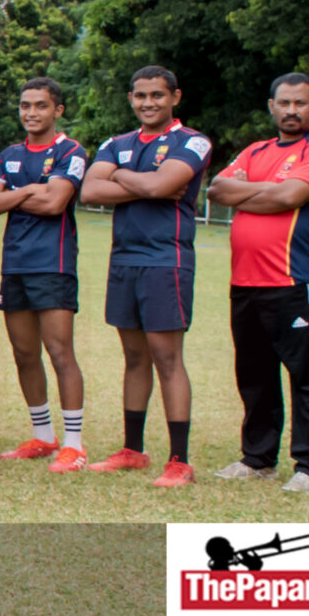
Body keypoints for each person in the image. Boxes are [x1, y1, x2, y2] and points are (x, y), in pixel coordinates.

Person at [207, 73, 309, 493]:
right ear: (271, 106)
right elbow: (216, 189)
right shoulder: (256, 149)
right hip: (245, 282)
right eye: (284, 103)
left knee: (308, 375)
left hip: (293, 280)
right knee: (254, 375)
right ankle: (258, 459)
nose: (291, 111)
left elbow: (291, 197)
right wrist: (276, 189)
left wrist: (254, 191)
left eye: (300, 103)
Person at [80, 65, 211, 487]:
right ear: (131, 98)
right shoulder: (115, 143)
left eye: (157, 95)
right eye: (140, 96)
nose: (148, 103)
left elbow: (163, 187)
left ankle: (179, 460)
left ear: (175, 96)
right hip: (123, 261)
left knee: (167, 358)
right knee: (134, 358)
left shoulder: (191, 141)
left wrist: (122, 176)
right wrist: (142, 180)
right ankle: (132, 451)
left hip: (165, 260)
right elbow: (90, 190)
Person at [0, 78, 89, 468]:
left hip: (53, 264)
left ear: (57, 110)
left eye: (40, 106)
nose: (31, 113)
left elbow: (56, 202)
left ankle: (74, 444)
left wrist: (17, 193)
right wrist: (32, 190)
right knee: (24, 353)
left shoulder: (71, 150)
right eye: (25, 105)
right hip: (15, 265)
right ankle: (43, 436)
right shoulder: (9, 153)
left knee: (59, 351)